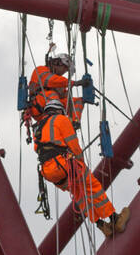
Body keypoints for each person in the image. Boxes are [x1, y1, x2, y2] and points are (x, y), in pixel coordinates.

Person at [28, 56, 129, 238]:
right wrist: (80, 161)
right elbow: (74, 147)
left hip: (49, 171)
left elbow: (37, 149)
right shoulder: (42, 74)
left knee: (79, 194)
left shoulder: (39, 128)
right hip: (64, 164)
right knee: (92, 186)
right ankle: (115, 219)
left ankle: (101, 225)